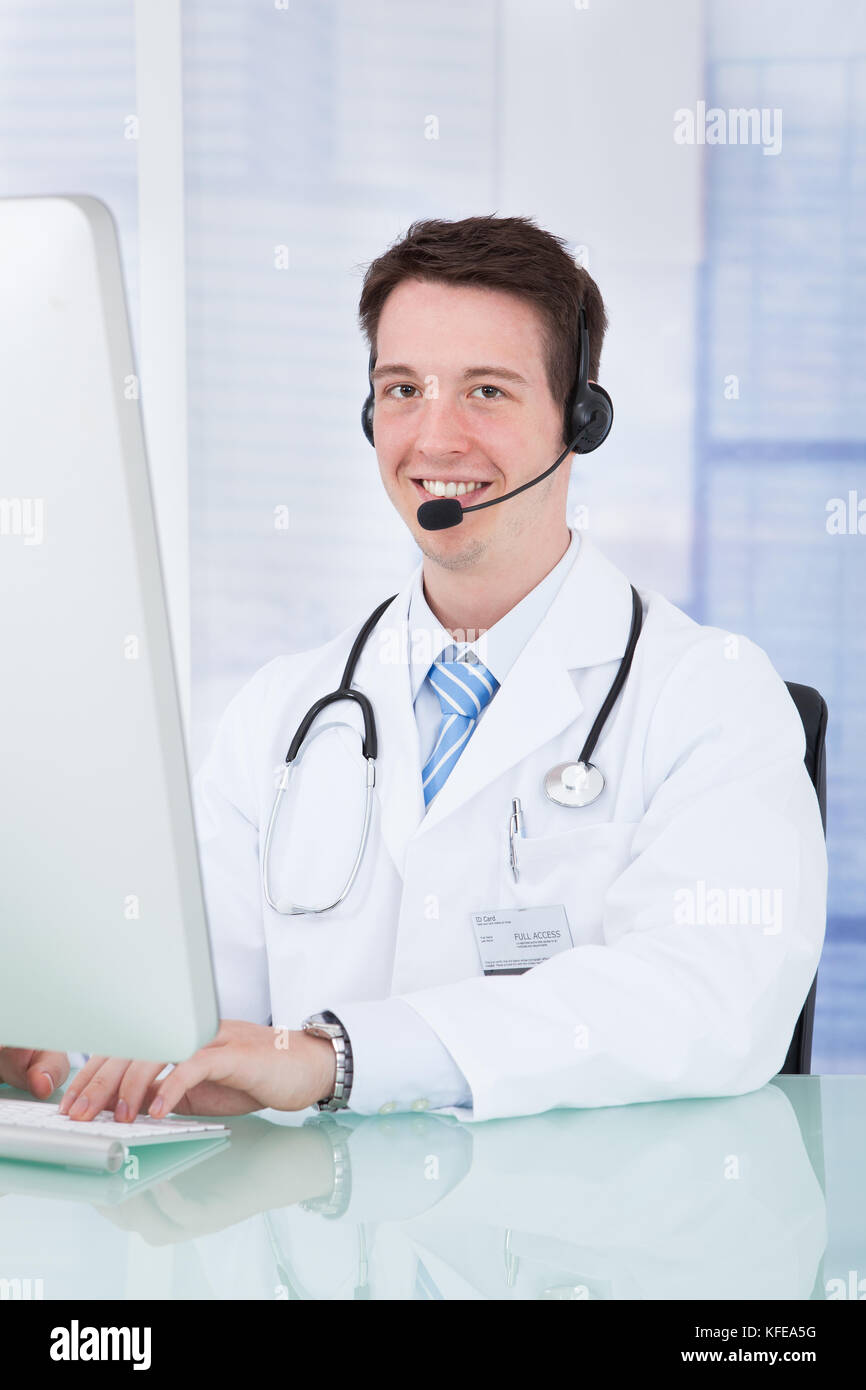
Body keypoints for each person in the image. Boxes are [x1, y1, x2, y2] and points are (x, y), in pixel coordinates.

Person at [1, 214, 827, 1125]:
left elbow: (710, 999)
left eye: (486, 391)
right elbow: (192, 1014)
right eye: (402, 390)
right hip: (318, 1215)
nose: (434, 440)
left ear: (580, 419)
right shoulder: (280, 713)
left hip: (583, 1218)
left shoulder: (711, 697)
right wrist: (66, 1048)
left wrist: (337, 1058)